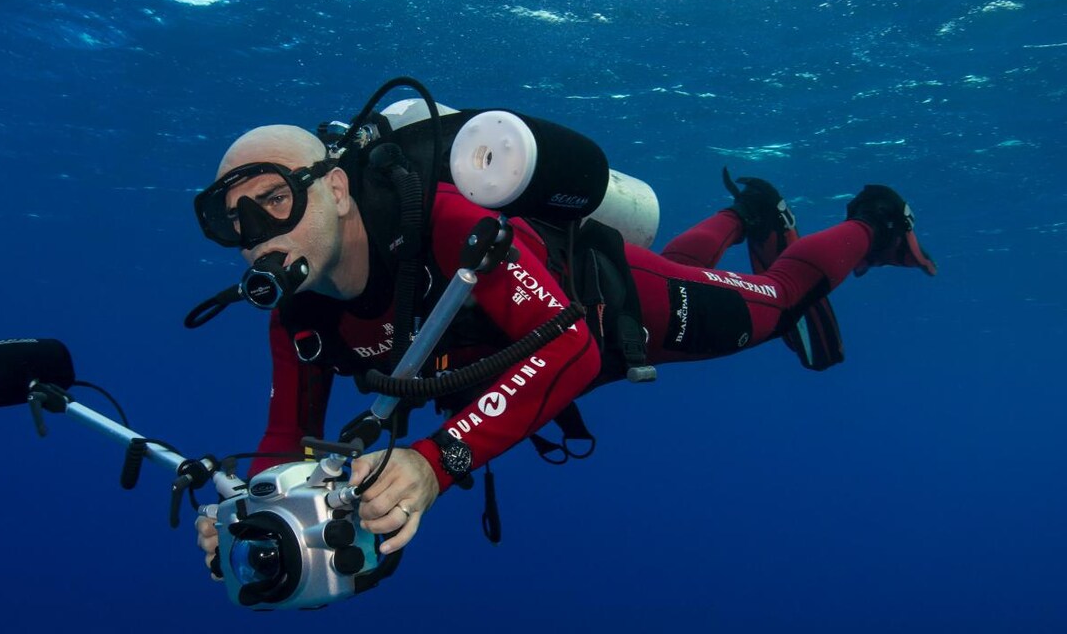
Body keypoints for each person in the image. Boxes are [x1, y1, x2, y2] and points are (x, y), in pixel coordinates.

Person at [193, 120, 936, 574]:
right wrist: (250, 512)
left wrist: (434, 462)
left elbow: (574, 351)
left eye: (274, 199)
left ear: (338, 190)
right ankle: (745, 211)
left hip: (606, 302)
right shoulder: (297, 320)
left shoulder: (444, 221)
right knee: (692, 266)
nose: (256, 232)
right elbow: (283, 438)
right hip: (531, 362)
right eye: (232, 222)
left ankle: (876, 219)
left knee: (769, 307)